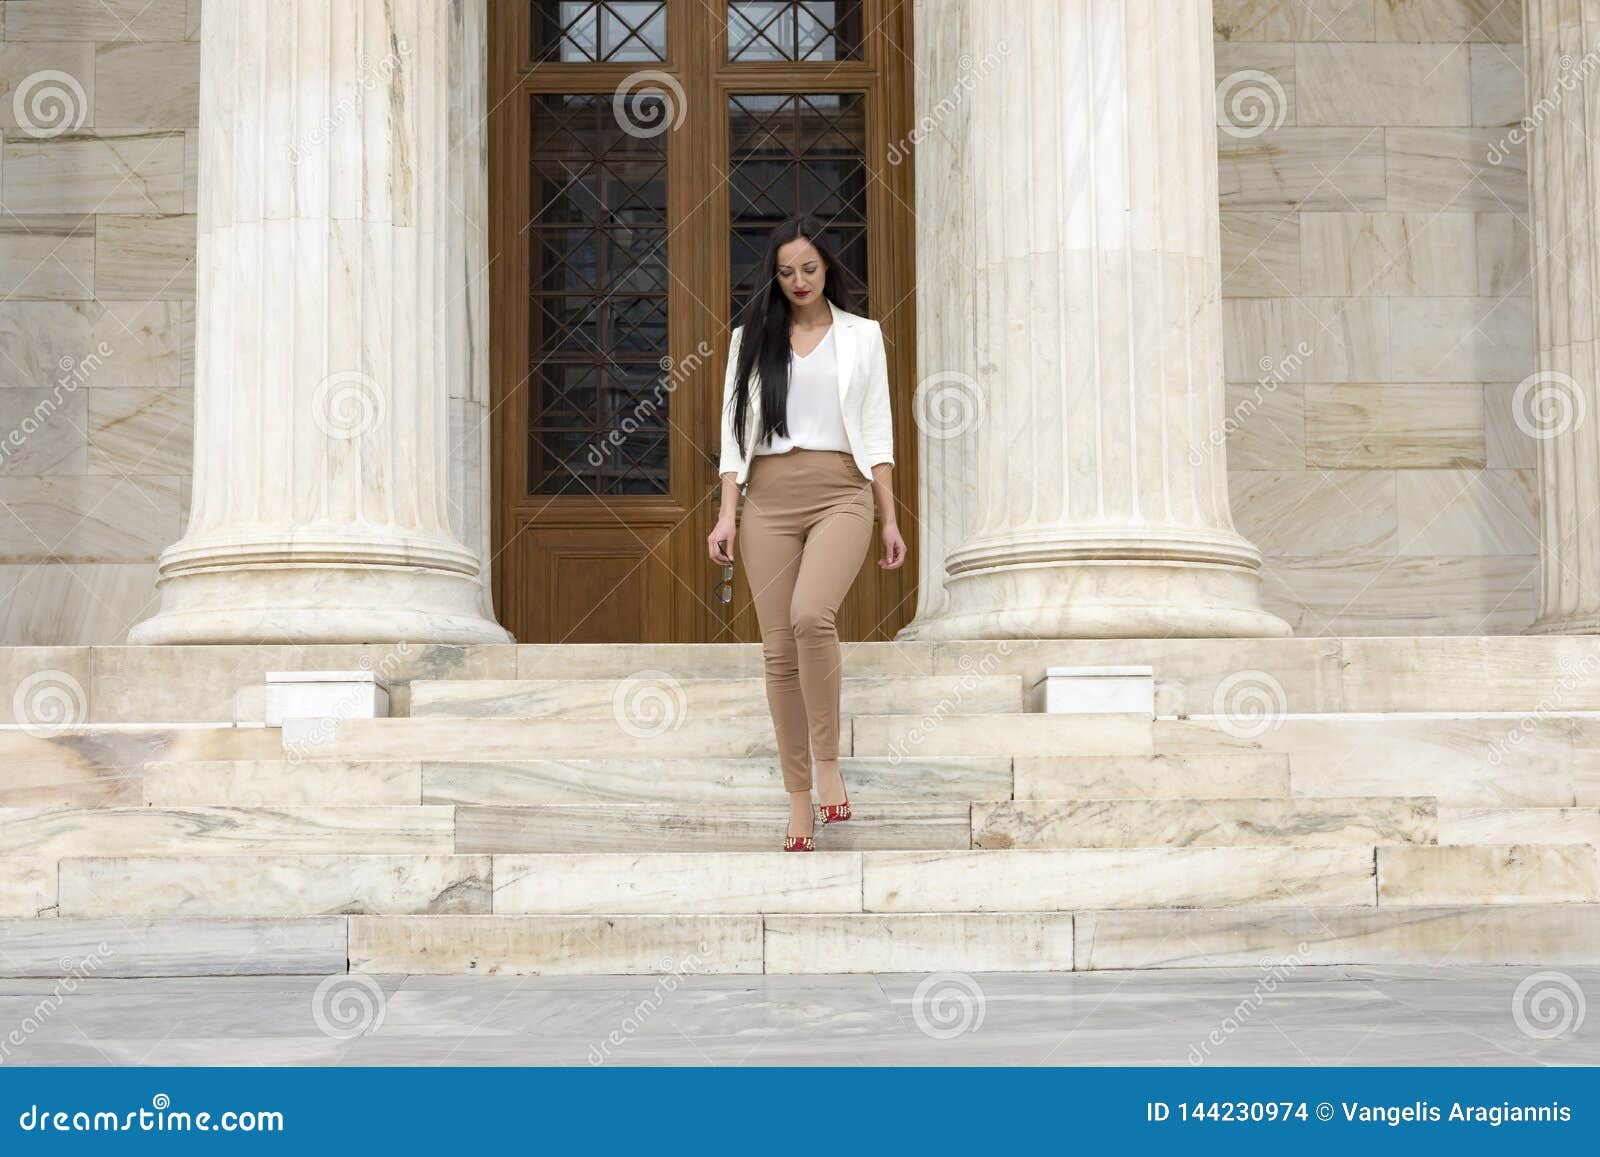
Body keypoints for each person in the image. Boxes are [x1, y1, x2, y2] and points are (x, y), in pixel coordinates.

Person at [707, 215, 907, 851]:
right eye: (786, 271)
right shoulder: (750, 338)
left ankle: (827, 763)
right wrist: (726, 512)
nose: (798, 281)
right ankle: (799, 800)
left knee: (811, 617)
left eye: (810, 269)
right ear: (775, 275)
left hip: (842, 492)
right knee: (777, 650)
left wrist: (891, 517)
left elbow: (876, 428)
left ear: (829, 269)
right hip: (766, 497)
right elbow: (733, 432)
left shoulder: (862, 336)